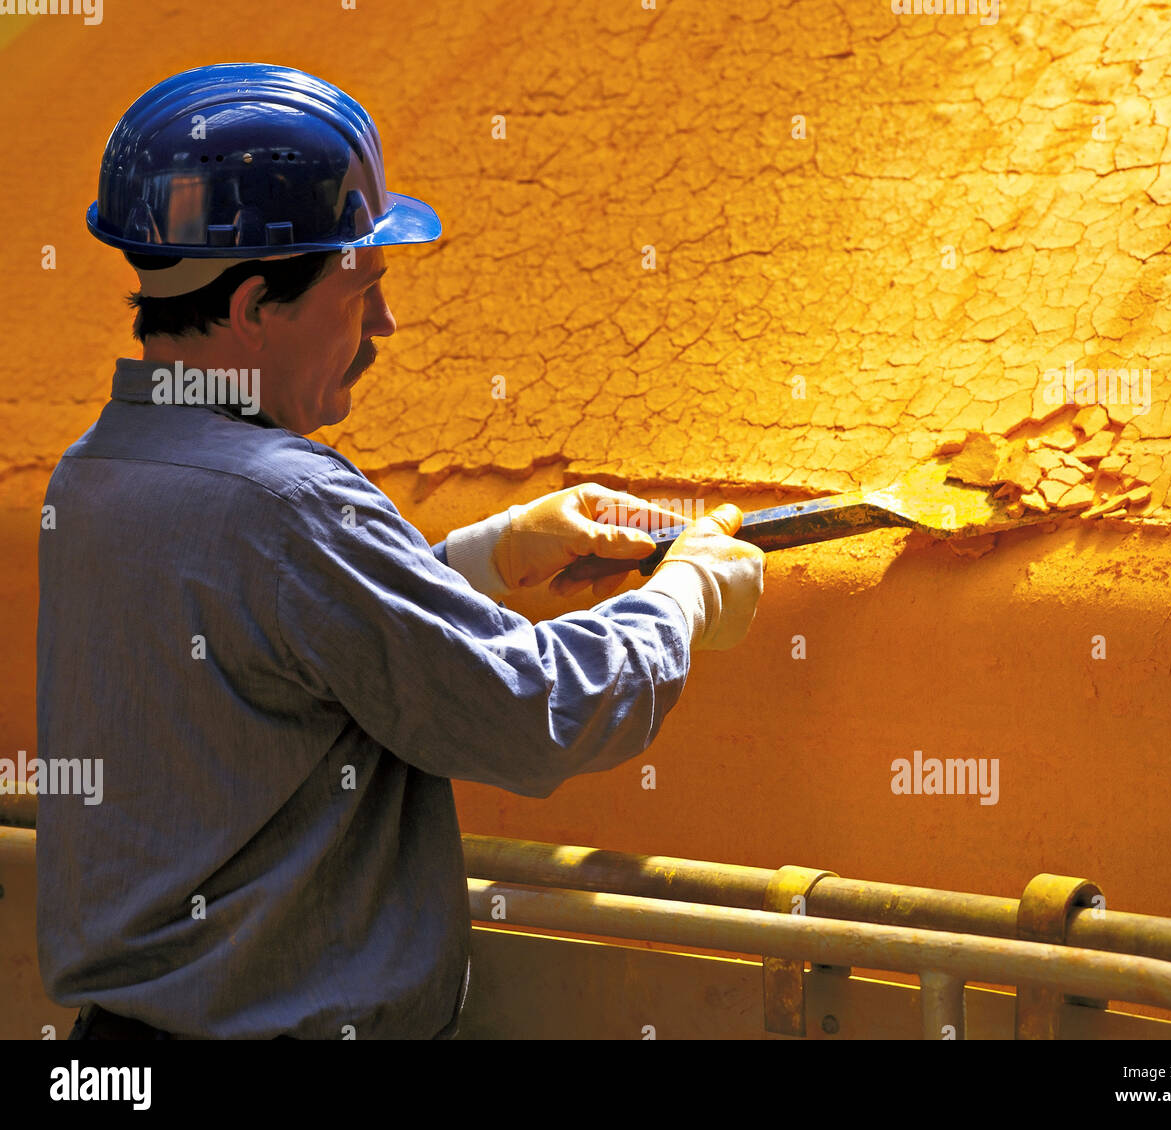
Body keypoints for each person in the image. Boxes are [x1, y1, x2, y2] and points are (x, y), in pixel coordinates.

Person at [37, 63, 763, 1040]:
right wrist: (681, 600)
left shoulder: (99, 470)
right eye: (362, 288)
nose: (384, 324)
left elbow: (289, 641)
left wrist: (482, 557)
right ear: (255, 306)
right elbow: (521, 713)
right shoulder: (286, 500)